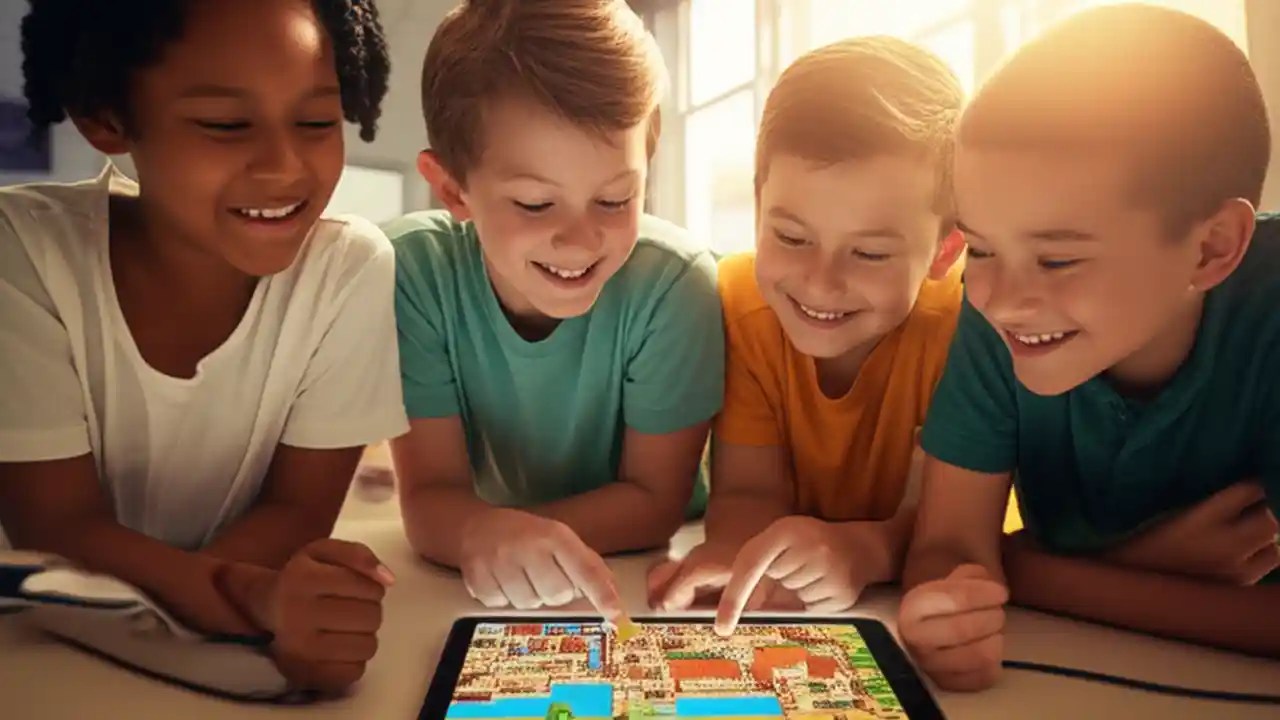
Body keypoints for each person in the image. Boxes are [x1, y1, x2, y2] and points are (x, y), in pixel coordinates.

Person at [0, 0, 407, 693]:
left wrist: (252, 612)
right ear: (107, 118)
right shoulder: (25, 255)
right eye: (225, 125)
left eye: (316, 122)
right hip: (36, 659)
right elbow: (57, 528)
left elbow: (296, 511)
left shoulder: (348, 269)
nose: (284, 167)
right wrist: (249, 602)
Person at [898, 4, 1280, 693]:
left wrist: (1045, 572)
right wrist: (954, 610)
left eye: (1058, 261)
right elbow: (950, 550)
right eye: (980, 246)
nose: (1000, 295)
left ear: (1211, 247)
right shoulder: (1001, 313)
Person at [388, 0, 724, 620]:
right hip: (492, 574)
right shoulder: (412, 273)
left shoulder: (674, 285)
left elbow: (654, 503)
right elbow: (431, 499)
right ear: (453, 191)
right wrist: (475, 535)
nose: (580, 240)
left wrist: (488, 533)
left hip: (638, 571)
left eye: (615, 198)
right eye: (537, 204)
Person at [647, 36, 967, 636]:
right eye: (791, 238)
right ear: (758, 204)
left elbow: (953, 527)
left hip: (919, 602)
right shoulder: (738, 302)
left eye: (869, 253)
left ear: (944, 251)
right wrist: (738, 554)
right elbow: (746, 491)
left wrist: (864, 553)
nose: (821, 283)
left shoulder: (966, 327)